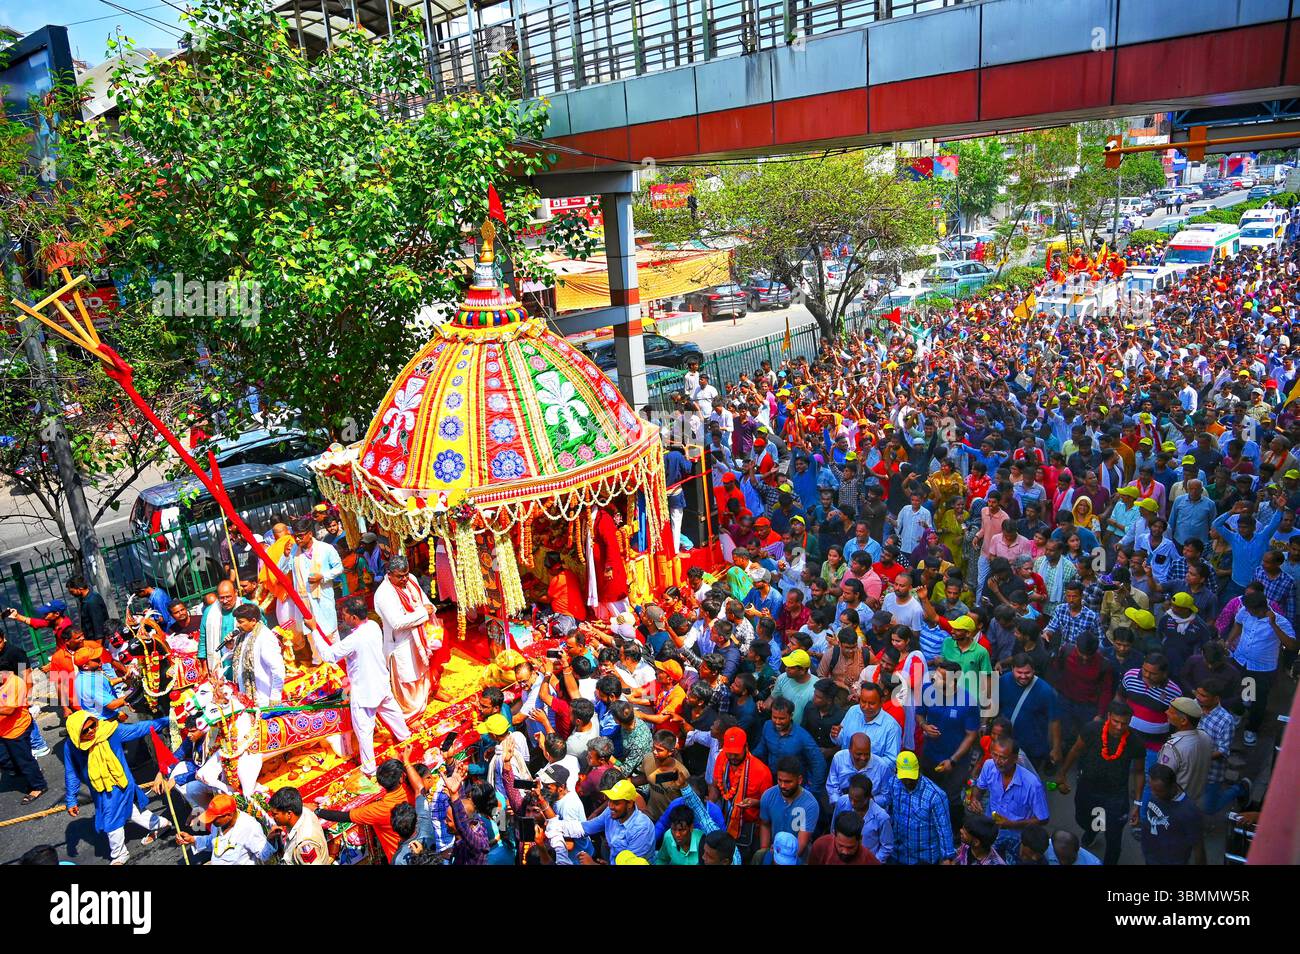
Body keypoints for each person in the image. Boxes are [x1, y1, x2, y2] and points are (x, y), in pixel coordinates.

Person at [309, 595, 412, 775]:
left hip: (364, 692)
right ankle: (407, 741)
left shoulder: (354, 639)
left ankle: (369, 770)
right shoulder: (372, 626)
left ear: (354, 618)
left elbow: (328, 656)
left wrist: (314, 631)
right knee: (395, 717)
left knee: (364, 733)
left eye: (345, 615)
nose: (343, 618)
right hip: (380, 685)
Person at [63, 711, 172, 864]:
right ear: (75, 733)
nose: (91, 731)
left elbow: (139, 728)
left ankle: (119, 855)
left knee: (111, 819)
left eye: (92, 725)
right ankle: (162, 824)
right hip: (99, 789)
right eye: (85, 730)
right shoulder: (71, 746)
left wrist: (171, 719)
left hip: (120, 784)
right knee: (130, 811)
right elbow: (71, 772)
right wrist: (71, 799)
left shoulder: (110, 731)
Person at [1054, 700, 1145, 865]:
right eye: (1116, 721)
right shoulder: (1092, 730)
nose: (1119, 727)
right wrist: (1062, 773)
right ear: (1108, 716)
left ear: (1130, 721)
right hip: (1088, 787)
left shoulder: (1135, 742)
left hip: (1116, 795)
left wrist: (1137, 803)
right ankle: (1092, 830)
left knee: (1114, 837)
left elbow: (1139, 772)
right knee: (1083, 819)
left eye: (1123, 723)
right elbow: (1076, 749)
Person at [311, 758, 414, 862]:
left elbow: (344, 817)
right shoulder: (412, 788)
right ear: (402, 777)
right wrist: (406, 759)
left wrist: (317, 811)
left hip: (399, 858)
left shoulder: (378, 809)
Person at [373, 554, 437, 718]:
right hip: (399, 642)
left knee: (423, 671)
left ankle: (424, 700)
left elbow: (424, 600)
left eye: (406, 574)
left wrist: (428, 608)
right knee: (407, 679)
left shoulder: (411, 580)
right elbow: (397, 623)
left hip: (419, 636)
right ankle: (410, 714)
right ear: (389, 574)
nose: (404, 579)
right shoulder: (383, 594)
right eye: (399, 576)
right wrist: (423, 612)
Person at [969, 735, 1049, 861]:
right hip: (991, 831)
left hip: (1017, 839)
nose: (997, 761)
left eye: (1003, 758)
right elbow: (979, 787)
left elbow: (1043, 819)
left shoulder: (1032, 784)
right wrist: (974, 800)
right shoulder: (989, 766)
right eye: (994, 755)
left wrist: (1012, 824)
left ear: (1015, 759)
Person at [711, 725, 773, 860]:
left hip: (747, 828)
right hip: (722, 820)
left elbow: (769, 808)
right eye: (729, 752)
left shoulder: (762, 772)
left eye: (736, 753)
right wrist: (710, 806)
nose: (732, 757)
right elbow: (715, 785)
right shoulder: (722, 757)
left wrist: (754, 802)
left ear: (746, 747)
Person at [883, 750, 955, 865]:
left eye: (911, 777)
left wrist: (948, 857)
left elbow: (944, 829)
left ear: (919, 771)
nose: (908, 781)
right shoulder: (893, 784)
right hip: (898, 854)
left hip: (924, 859)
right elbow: (888, 810)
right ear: (896, 772)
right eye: (904, 777)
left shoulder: (936, 796)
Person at [177, 792, 274, 865]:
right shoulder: (217, 825)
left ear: (228, 815)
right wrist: (193, 839)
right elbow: (214, 842)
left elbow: (264, 855)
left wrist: (270, 840)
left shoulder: (249, 827)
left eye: (214, 818)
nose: (211, 821)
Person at [756, 755, 821, 863]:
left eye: (788, 782)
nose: (782, 785)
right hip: (774, 851)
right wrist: (765, 852)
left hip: (798, 856)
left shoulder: (810, 804)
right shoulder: (768, 796)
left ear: (799, 780)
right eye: (779, 780)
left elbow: (803, 840)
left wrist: (785, 859)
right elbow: (765, 824)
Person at [1140, 763, 1205, 865]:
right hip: (1151, 856)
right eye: (1151, 788)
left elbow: (1198, 846)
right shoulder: (1157, 793)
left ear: (1172, 786)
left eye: (1158, 791)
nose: (1153, 793)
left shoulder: (1189, 811)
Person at [0, 663, 46, 803]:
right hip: (3, 730)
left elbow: (9, 710)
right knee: (3, 758)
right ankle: (30, 770)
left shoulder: (15, 683)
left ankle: (38, 786)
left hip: (16, 729)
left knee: (24, 760)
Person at [1157, 696, 1214, 802]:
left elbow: (1162, 780)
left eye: (1171, 712)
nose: (1166, 712)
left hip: (1176, 802)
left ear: (1183, 721)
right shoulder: (1205, 736)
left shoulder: (1173, 748)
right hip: (1195, 798)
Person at [228, 603, 285, 706]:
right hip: (246, 699)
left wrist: (275, 696)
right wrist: (230, 646)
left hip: (263, 699)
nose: (237, 625)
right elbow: (240, 659)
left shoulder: (265, 637)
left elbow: (278, 667)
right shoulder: (243, 635)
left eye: (241, 622)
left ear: (253, 621)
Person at [267, 785, 332, 865]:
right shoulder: (305, 811)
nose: (272, 817)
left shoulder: (304, 845)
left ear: (289, 814)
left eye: (275, 814)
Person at [809, 810, 879, 865]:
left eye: (850, 847)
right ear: (834, 835)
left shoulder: (869, 861)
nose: (845, 852)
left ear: (860, 840)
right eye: (840, 845)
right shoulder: (820, 846)